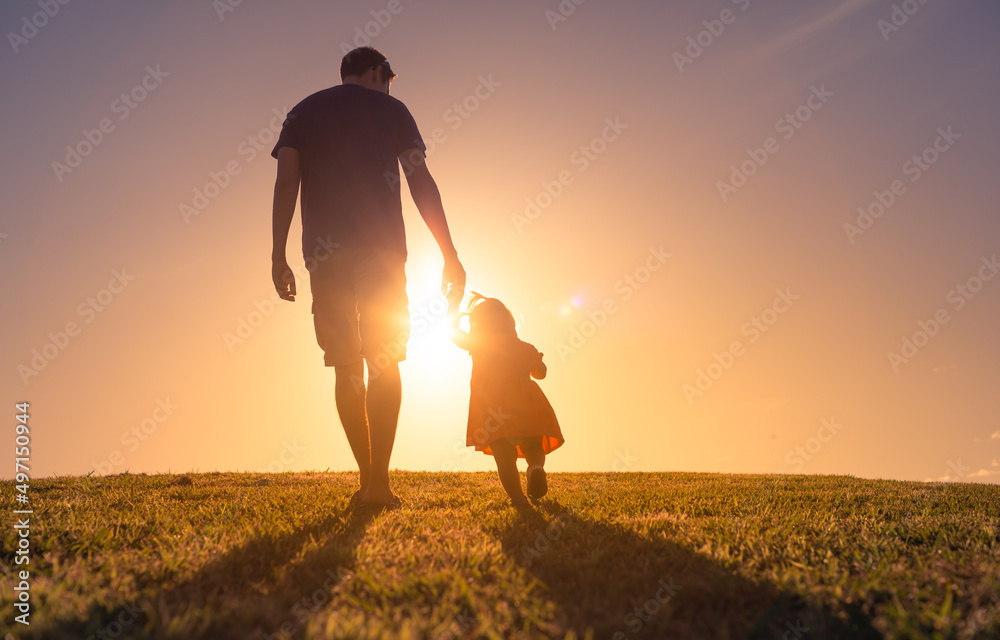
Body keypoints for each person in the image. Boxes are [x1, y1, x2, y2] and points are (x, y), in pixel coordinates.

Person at [270, 46, 466, 508]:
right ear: (378, 72)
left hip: (324, 254)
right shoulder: (392, 108)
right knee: (385, 360)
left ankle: (365, 480)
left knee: (345, 364)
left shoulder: (302, 112)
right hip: (380, 249)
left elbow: (286, 183)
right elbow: (420, 180)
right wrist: (449, 253)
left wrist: (277, 255)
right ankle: (380, 482)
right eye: (388, 78)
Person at [447, 289, 564, 507]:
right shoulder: (523, 347)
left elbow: (453, 333)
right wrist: (530, 360)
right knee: (533, 448)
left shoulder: (479, 344)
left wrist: (452, 306)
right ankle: (536, 468)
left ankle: (518, 500)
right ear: (510, 323)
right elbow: (542, 373)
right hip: (528, 406)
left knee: (504, 458)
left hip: (495, 410)